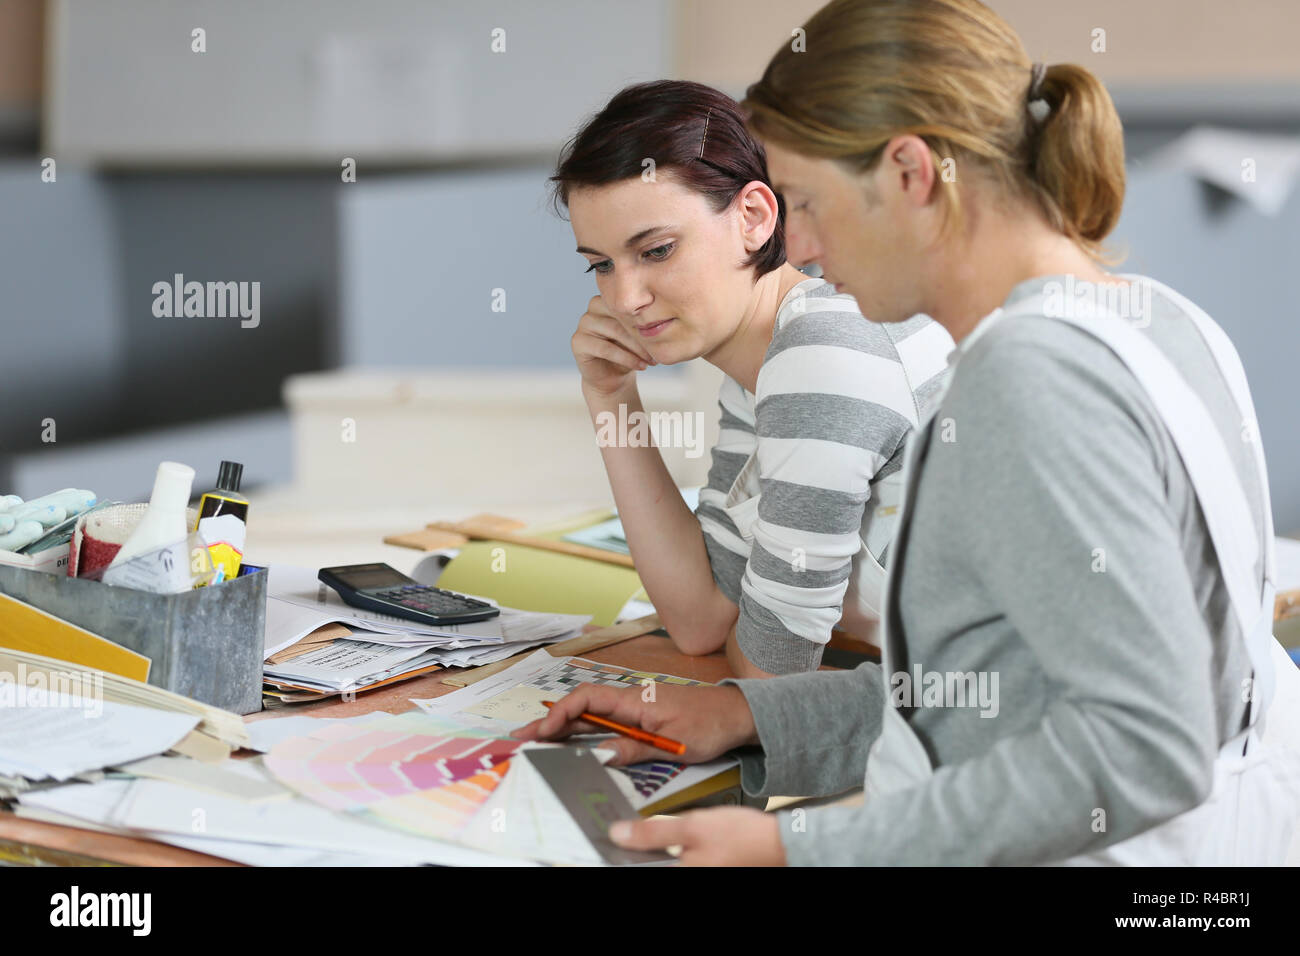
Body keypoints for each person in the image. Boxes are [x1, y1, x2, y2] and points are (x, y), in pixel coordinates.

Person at [516, 0, 1300, 865]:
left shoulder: (1028, 376)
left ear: (910, 174)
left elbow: (1143, 753)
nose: (798, 246)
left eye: (807, 201)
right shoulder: (1162, 318)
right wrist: (750, 714)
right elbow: (1002, 700)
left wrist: (802, 850)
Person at [550, 80, 952, 677]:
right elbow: (701, 621)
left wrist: (752, 641)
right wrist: (611, 398)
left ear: (755, 216)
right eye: (602, 266)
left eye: (657, 250)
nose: (626, 299)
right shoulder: (752, 376)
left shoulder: (823, 349)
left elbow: (771, 678)